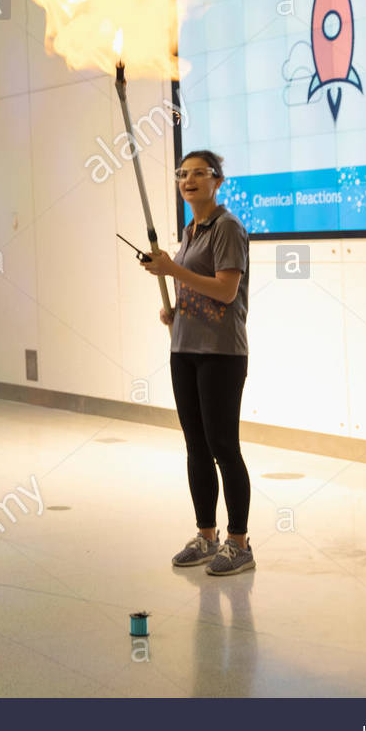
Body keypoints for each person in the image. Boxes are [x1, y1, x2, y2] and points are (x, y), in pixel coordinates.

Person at [142, 150, 254, 576]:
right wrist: (175, 310)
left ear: (217, 180)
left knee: (224, 446)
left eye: (197, 174)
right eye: (181, 174)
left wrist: (172, 270)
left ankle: (239, 543)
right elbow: (199, 290)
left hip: (221, 354)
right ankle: (206, 536)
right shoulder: (190, 229)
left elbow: (226, 291)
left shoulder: (227, 227)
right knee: (196, 446)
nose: (187, 180)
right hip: (185, 348)